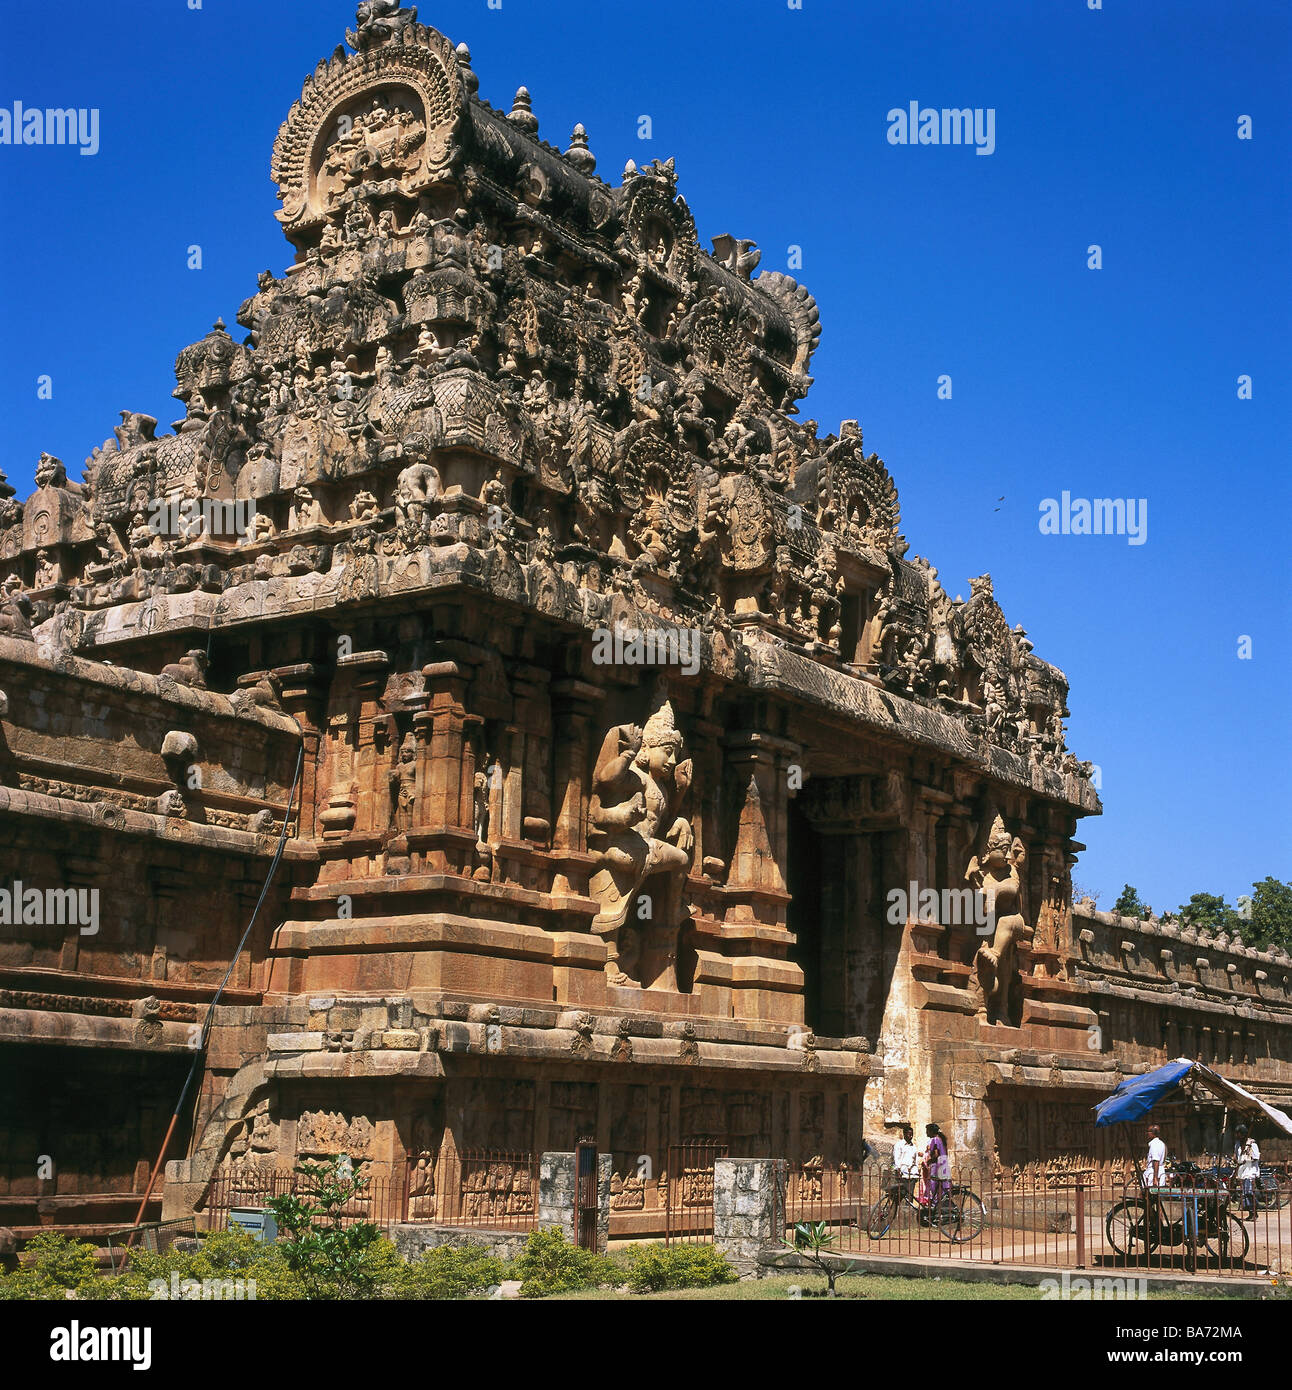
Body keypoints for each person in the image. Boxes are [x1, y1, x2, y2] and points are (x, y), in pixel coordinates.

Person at [920, 1122, 951, 1208]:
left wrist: (930, 1160)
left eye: (927, 1131)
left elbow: (936, 1154)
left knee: (933, 1185)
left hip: (937, 1165)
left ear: (931, 1131)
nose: (926, 1133)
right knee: (942, 1186)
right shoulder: (941, 1139)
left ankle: (935, 1205)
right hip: (944, 1163)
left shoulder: (935, 1140)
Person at [1234, 1125, 1260, 1220]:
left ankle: (1255, 1209)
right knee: (1244, 1193)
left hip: (1250, 1171)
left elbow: (1256, 1157)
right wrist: (1236, 1160)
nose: (1237, 1135)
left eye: (1239, 1134)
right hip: (1242, 1171)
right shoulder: (1238, 1144)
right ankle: (1251, 1212)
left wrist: (1246, 1159)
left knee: (1249, 1192)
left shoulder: (1252, 1144)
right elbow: (1235, 1156)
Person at [892, 1125, 919, 1197]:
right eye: (909, 1134)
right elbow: (896, 1158)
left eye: (912, 1134)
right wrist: (898, 1169)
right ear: (904, 1134)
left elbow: (915, 1160)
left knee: (910, 1195)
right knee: (900, 1195)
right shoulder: (899, 1145)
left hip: (912, 1174)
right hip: (902, 1174)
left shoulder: (914, 1147)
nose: (911, 1136)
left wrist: (916, 1172)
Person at [1143, 1124, 1167, 1189]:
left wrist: (1155, 1178)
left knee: (1150, 1193)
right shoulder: (1161, 1143)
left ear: (1153, 1133)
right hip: (1159, 1172)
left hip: (1153, 1173)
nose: (1147, 1133)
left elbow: (1156, 1160)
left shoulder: (1154, 1144)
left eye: (1149, 1131)